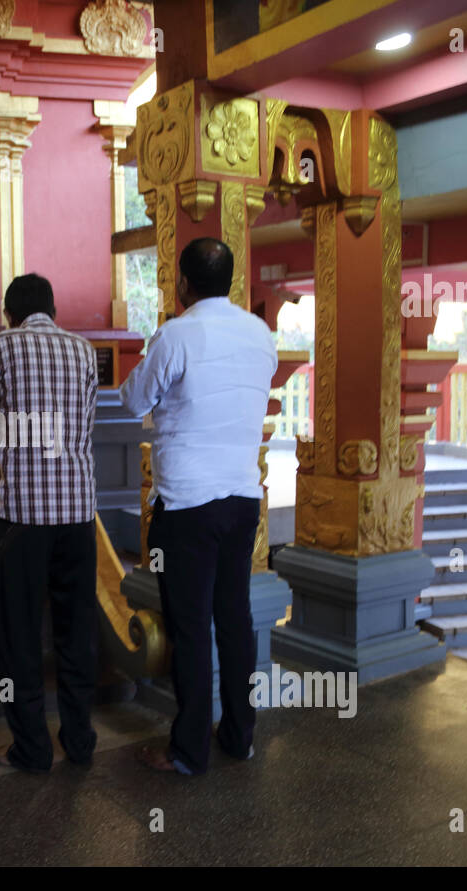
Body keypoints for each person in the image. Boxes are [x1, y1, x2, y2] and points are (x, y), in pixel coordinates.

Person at [119, 238, 278, 776]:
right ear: (229, 281)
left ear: (183, 282)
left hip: (187, 503)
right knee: (235, 619)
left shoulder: (175, 334)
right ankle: (239, 735)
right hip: (242, 499)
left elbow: (134, 399)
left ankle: (188, 750)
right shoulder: (260, 334)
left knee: (189, 625)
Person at [0, 273, 99, 773]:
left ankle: (31, 750)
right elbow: (86, 426)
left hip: (20, 517)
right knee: (76, 632)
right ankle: (79, 742)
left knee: (19, 636)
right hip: (79, 515)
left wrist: (10, 428)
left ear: (10, 314)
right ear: (53, 310)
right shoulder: (84, 351)